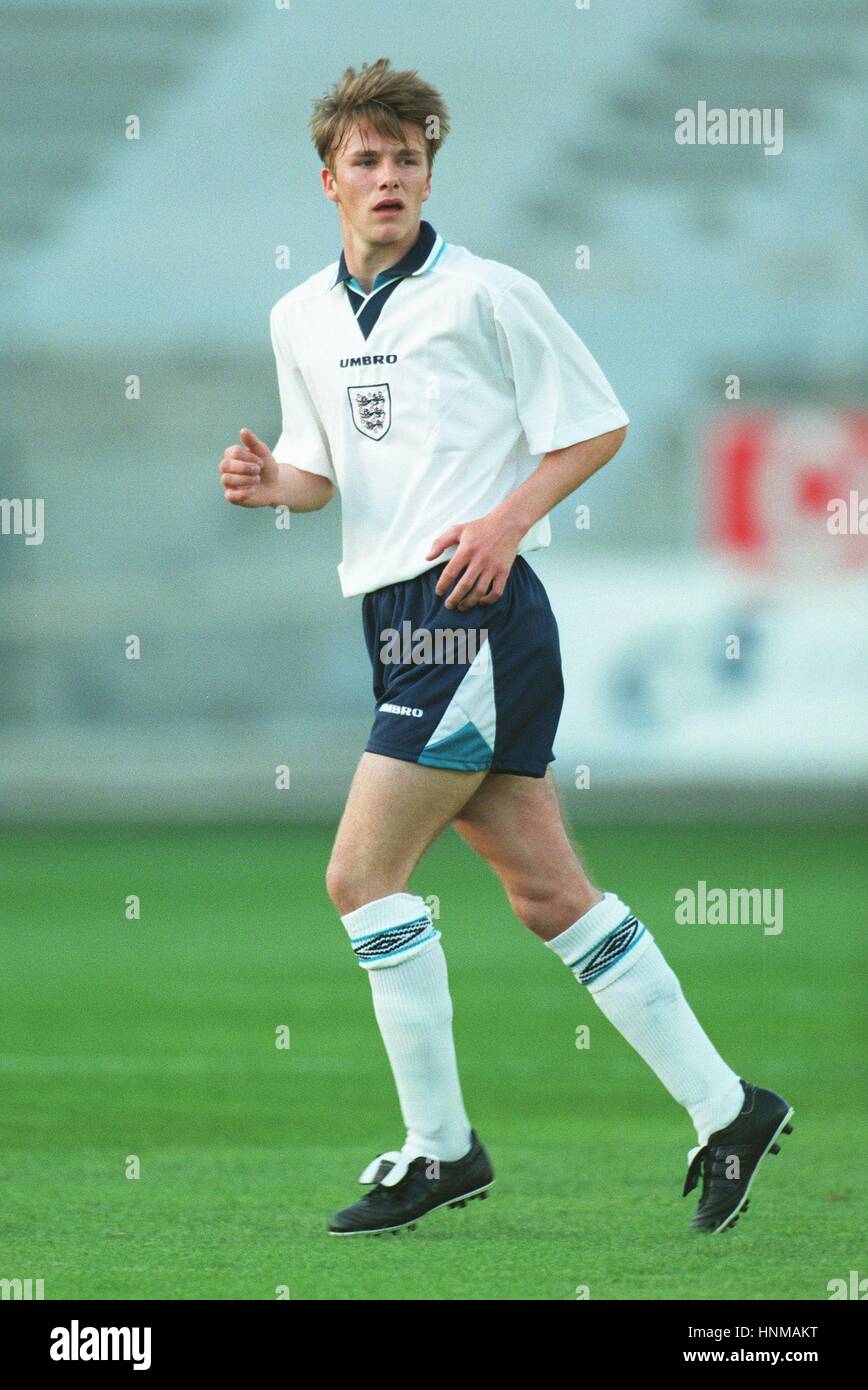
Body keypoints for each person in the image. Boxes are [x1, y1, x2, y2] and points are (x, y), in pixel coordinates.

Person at [219, 58, 793, 1237]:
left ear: (431, 174)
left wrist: (506, 517)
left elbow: (595, 425)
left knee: (359, 877)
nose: (389, 179)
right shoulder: (299, 316)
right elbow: (321, 476)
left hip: (471, 614)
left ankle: (442, 1151)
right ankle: (728, 1107)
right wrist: (271, 483)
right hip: (396, 618)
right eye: (367, 162)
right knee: (545, 895)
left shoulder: (488, 293)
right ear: (327, 180)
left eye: (409, 160)